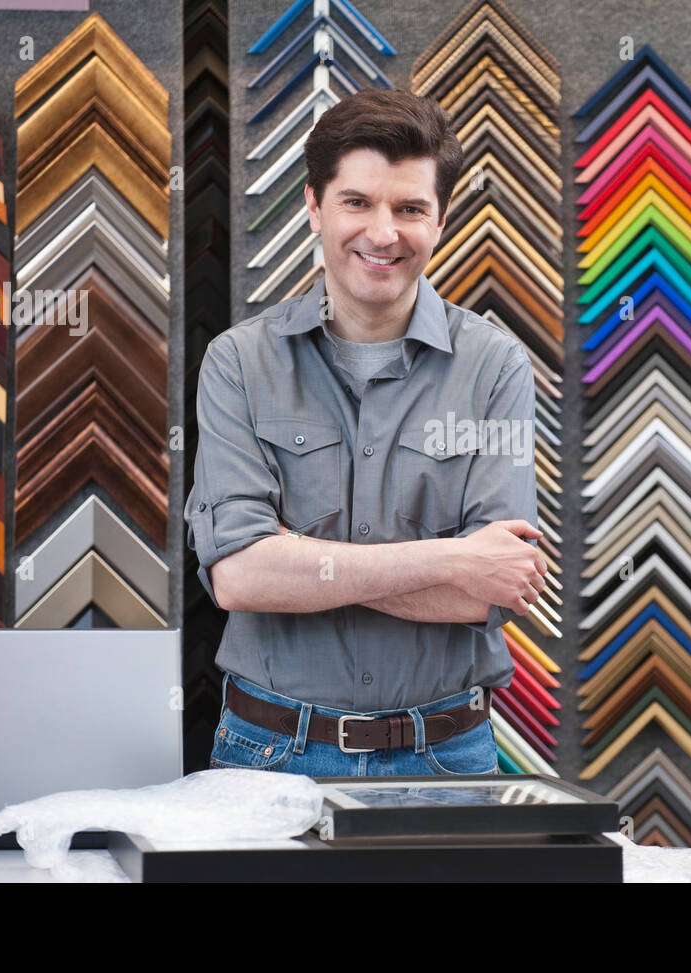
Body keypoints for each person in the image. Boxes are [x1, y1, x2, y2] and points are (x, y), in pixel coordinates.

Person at [184, 88, 548, 778]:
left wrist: (296, 563)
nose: (384, 232)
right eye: (358, 202)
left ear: (441, 219)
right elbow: (237, 575)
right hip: (270, 753)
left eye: (410, 208)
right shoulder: (239, 360)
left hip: (448, 755)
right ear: (314, 207)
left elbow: (493, 587)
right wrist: (449, 560)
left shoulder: (496, 366)